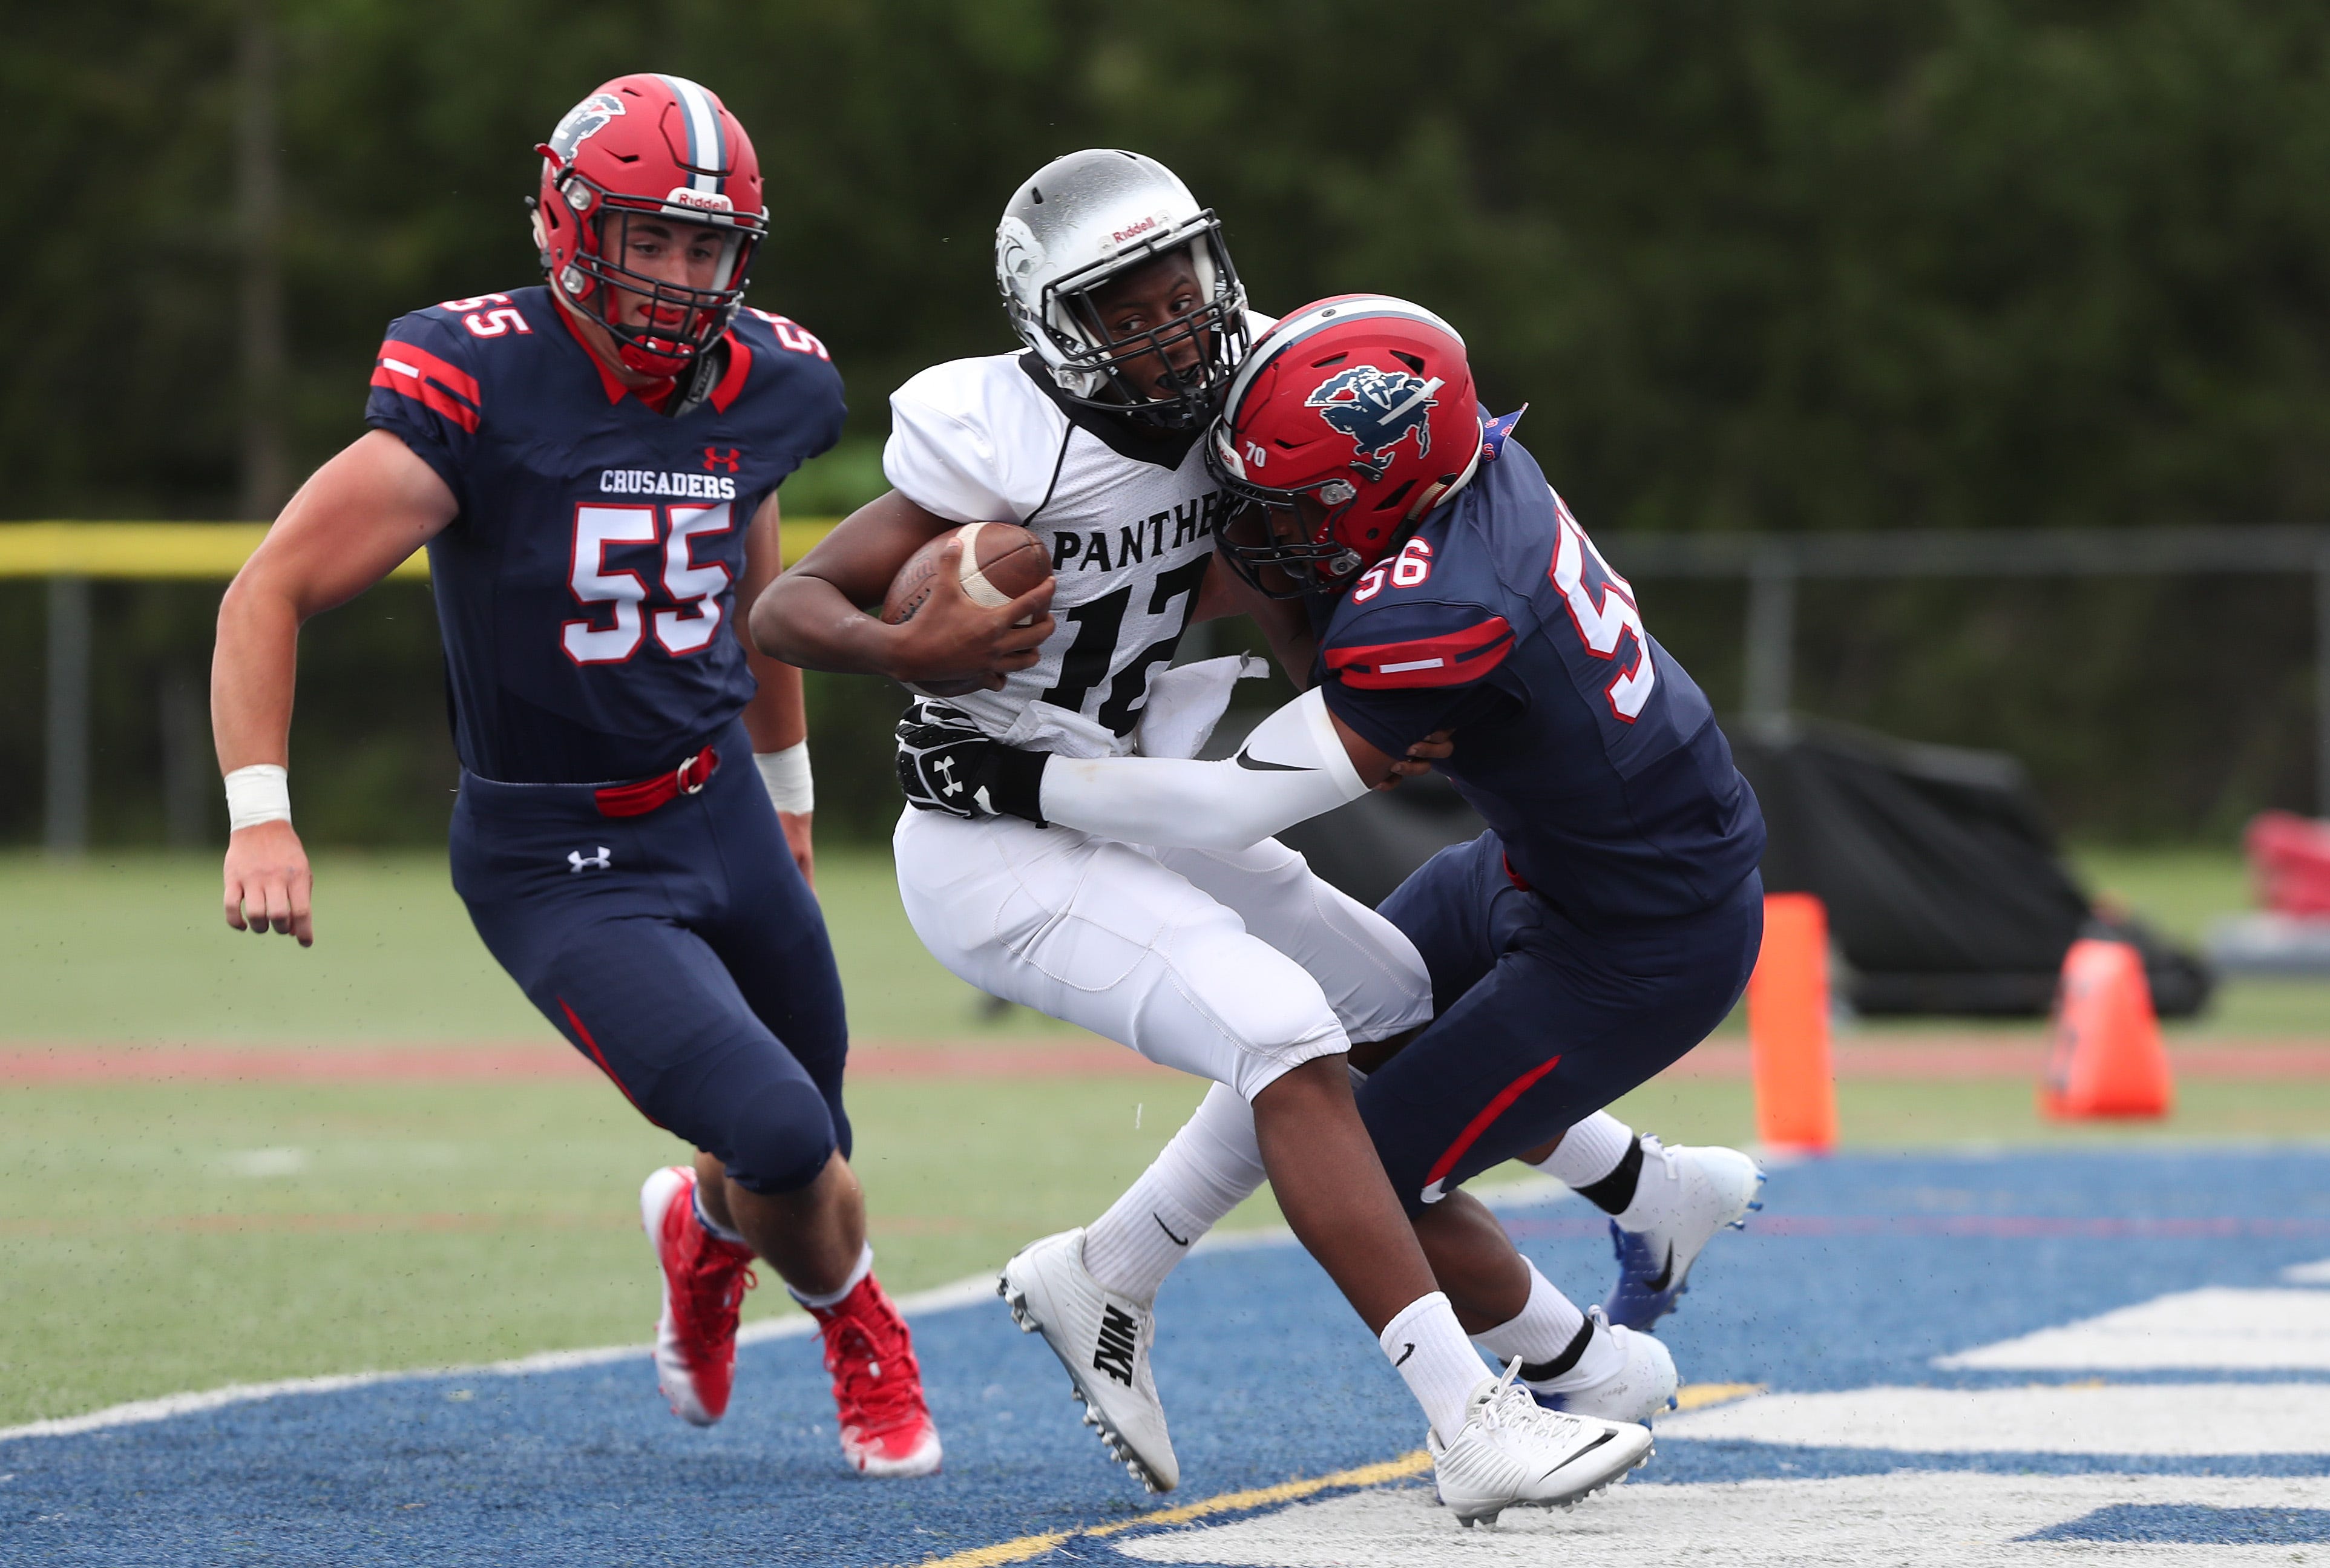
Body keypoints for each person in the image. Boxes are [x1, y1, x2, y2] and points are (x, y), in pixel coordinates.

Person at [753, 151, 1655, 1526]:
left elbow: (1287, 590)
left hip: (1137, 791)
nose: (1168, 324)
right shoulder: (998, 437)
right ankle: (1471, 1417)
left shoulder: (1247, 397)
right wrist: (899, 645)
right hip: (994, 839)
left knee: (1389, 1003)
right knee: (1284, 1032)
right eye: (1121, 306)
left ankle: (1122, 1274)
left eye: (1179, 286)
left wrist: (1344, 684)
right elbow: (782, 611)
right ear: (1054, 325)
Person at [888, 294, 1770, 1518]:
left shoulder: (1443, 609)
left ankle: (1569, 1374)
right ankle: (1641, 1193)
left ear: (1382, 487)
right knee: (1345, 1016)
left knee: (1370, 1157)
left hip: (1642, 941)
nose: (1263, 527)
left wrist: (1012, 777)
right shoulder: (1466, 462)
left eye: (1294, 503)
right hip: (1543, 864)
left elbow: (1222, 809)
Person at [210, 74, 939, 1478]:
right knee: (783, 1131)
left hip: (714, 799)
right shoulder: (483, 380)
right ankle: (859, 1322)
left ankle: (703, 1236)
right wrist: (263, 817)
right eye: (647, 240)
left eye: (705, 246)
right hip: (556, 855)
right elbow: (269, 590)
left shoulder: (772, 381)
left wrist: (786, 799)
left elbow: (759, 587)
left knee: (803, 1147)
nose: (678, 278)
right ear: (567, 225)